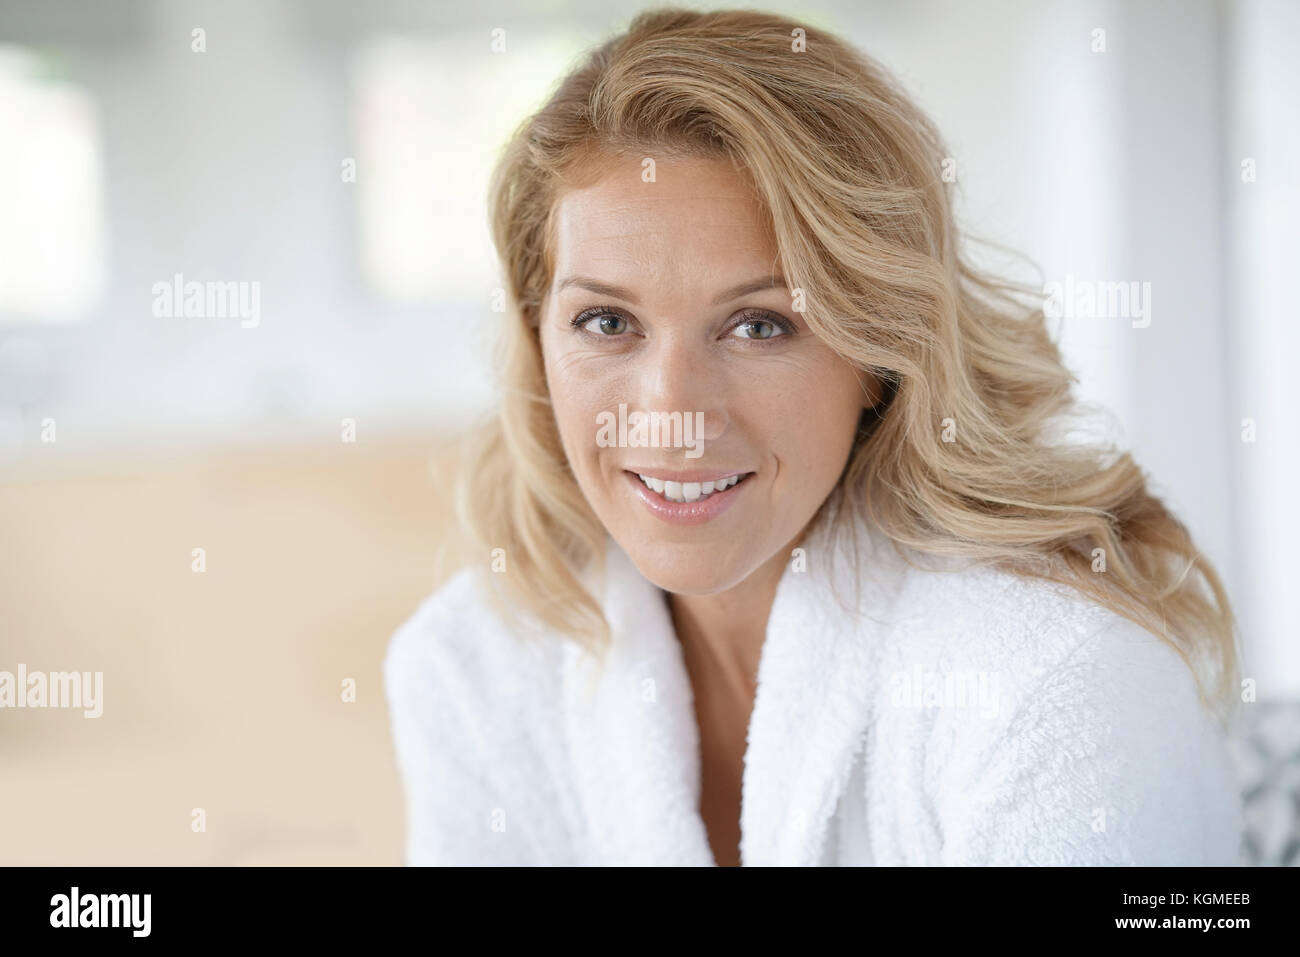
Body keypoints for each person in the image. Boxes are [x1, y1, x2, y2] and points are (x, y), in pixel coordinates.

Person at [383, 6, 1243, 866]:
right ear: (539, 337)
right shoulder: (473, 669)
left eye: (759, 326)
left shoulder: (1051, 676)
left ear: (882, 354)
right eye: (606, 320)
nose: (672, 410)